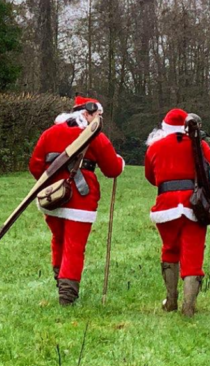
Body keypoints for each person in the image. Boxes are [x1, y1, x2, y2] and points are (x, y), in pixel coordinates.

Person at [28, 96, 125, 305]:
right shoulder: (95, 136)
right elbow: (113, 169)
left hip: (51, 198)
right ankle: (67, 296)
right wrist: (121, 162)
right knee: (74, 246)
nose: (99, 120)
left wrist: (53, 185)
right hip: (81, 199)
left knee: (58, 239)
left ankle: (60, 282)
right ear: (87, 113)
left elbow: (35, 167)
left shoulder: (49, 133)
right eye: (98, 115)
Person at [144, 108, 210, 317]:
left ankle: (171, 300)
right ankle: (188, 307)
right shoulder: (199, 145)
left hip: (165, 206)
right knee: (193, 255)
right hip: (194, 206)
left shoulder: (155, 147)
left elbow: (150, 177)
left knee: (169, 249)